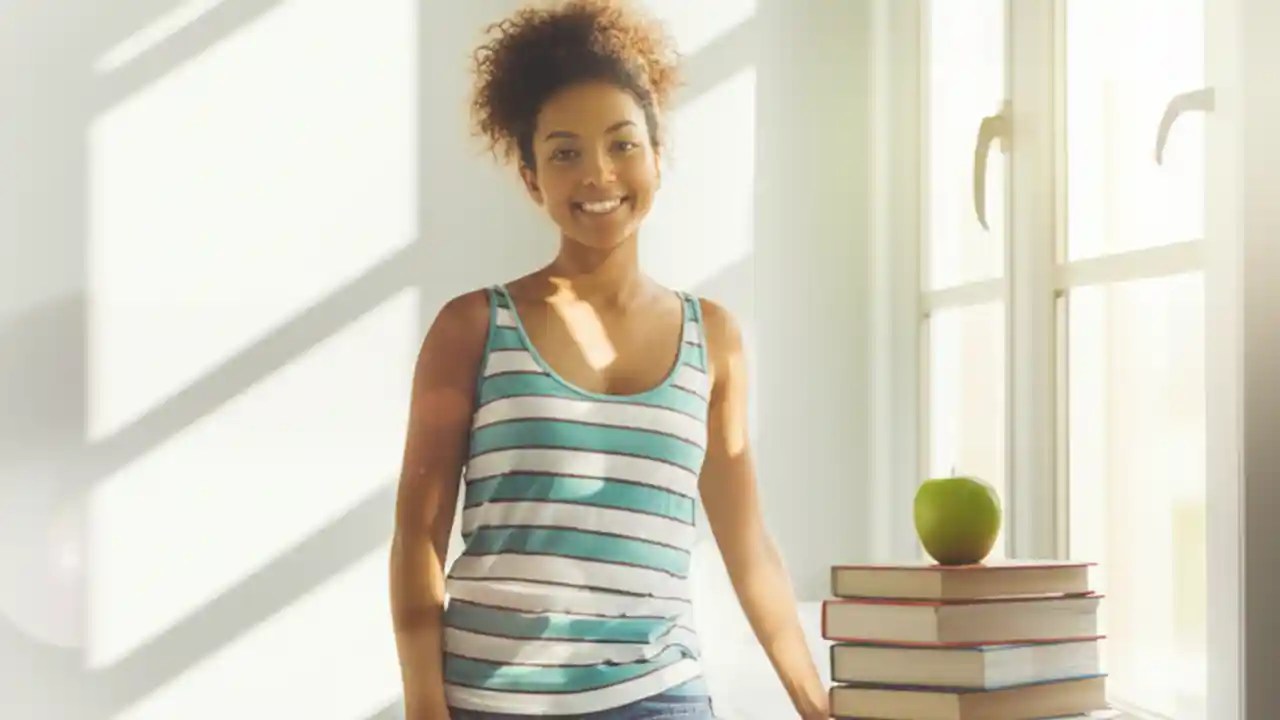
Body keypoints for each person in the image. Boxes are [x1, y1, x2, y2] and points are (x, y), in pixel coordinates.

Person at [389, 1, 828, 717]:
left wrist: (815, 704)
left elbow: (747, 547)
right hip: (491, 701)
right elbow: (418, 537)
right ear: (532, 179)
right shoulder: (472, 328)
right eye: (565, 152)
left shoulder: (713, 339)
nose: (598, 174)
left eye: (623, 144)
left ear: (658, 155)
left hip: (660, 696)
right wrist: (424, 707)